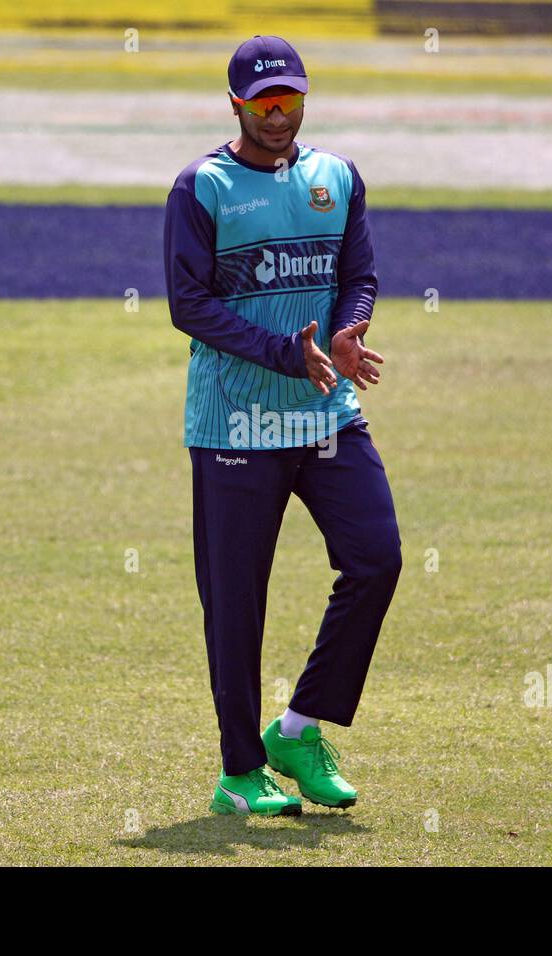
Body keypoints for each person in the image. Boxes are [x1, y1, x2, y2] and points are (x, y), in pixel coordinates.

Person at [162, 35, 402, 816]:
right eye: (263, 102)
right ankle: (239, 773)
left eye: (290, 99)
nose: (278, 114)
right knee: (237, 603)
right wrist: (280, 353)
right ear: (235, 104)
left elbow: (357, 275)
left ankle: (298, 729)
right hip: (235, 426)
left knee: (376, 559)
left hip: (328, 413)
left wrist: (348, 329)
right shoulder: (203, 187)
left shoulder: (337, 177)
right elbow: (188, 305)